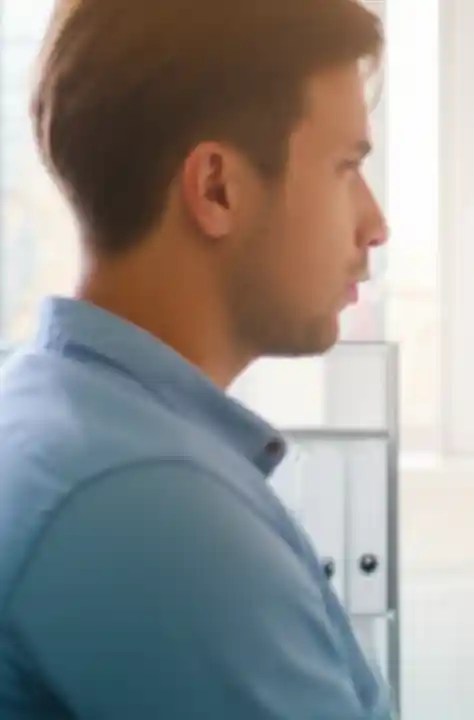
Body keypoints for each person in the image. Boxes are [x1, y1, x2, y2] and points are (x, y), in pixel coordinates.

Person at [0, 0, 391, 717]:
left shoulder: (54, 414)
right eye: (345, 169)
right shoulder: (151, 507)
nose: (375, 225)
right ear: (216, 188)